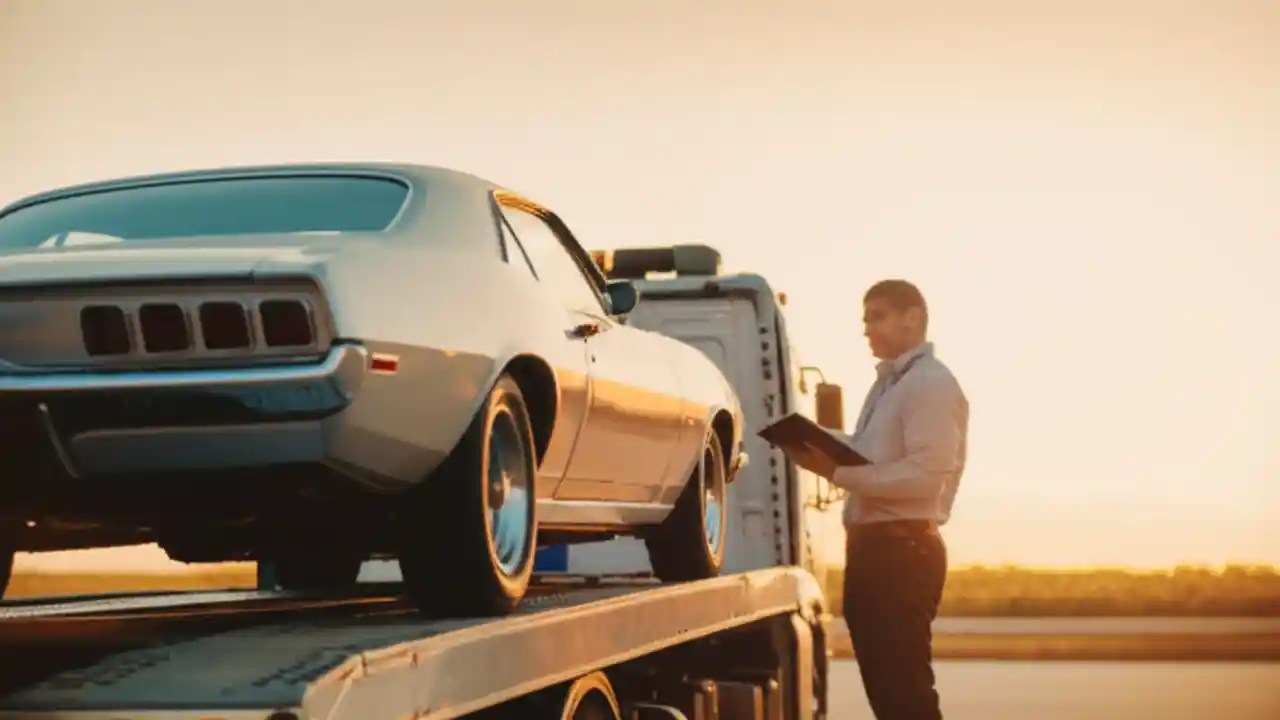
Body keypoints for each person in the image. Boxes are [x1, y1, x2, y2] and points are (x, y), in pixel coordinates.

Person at [830, 279, 969, 720]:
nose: (866, 329)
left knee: (905, 696)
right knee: (890, 699)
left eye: (877, 316)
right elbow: (873, 457)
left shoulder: (930, 384)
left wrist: (840, 473)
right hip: (875, 551)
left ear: (913, 318)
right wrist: (818, 444)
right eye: (865, 319)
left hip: (901, 552)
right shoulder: (890, 384)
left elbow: (926, 479)